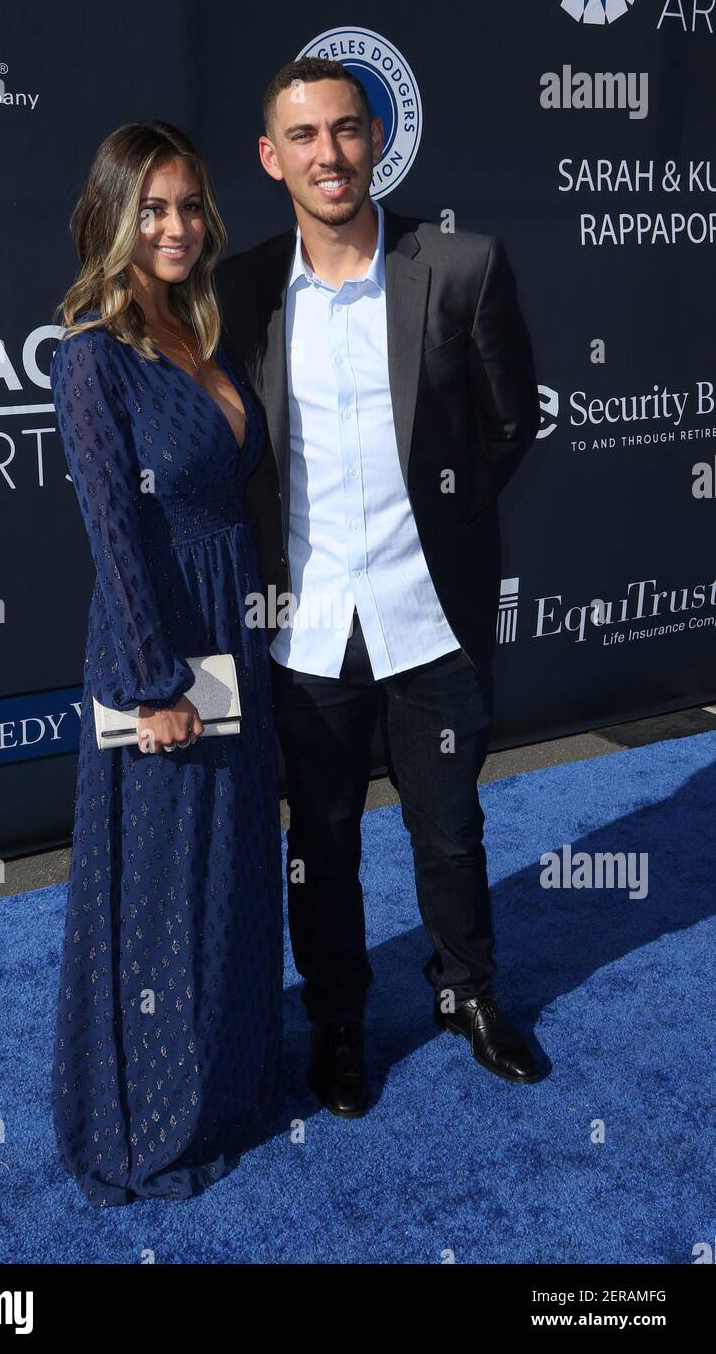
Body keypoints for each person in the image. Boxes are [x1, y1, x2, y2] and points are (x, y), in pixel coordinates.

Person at [214, 58, 543, 1119]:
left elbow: (511, 422)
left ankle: (467, 993)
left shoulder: (460, 265)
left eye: (346, 130)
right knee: (322, 844)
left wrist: (438, 526)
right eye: (303, 137)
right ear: (273, 158)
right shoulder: (245, 291)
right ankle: (340, 1020)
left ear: (377, 138)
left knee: (448, 829)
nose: (329, 154)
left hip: (429, 620)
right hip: (304, 631)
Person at [49, 120, 283, 1206]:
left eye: (191, 205)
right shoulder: (94, 356)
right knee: (159, 887)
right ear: (115, 216)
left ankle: (227, 1080)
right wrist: (154, 686)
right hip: (158, 642)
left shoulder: (203, 332)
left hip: (233, 624)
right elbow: (114, 531)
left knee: (230, 863)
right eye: (153, 208)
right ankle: (147, 1110)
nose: (179, 226)